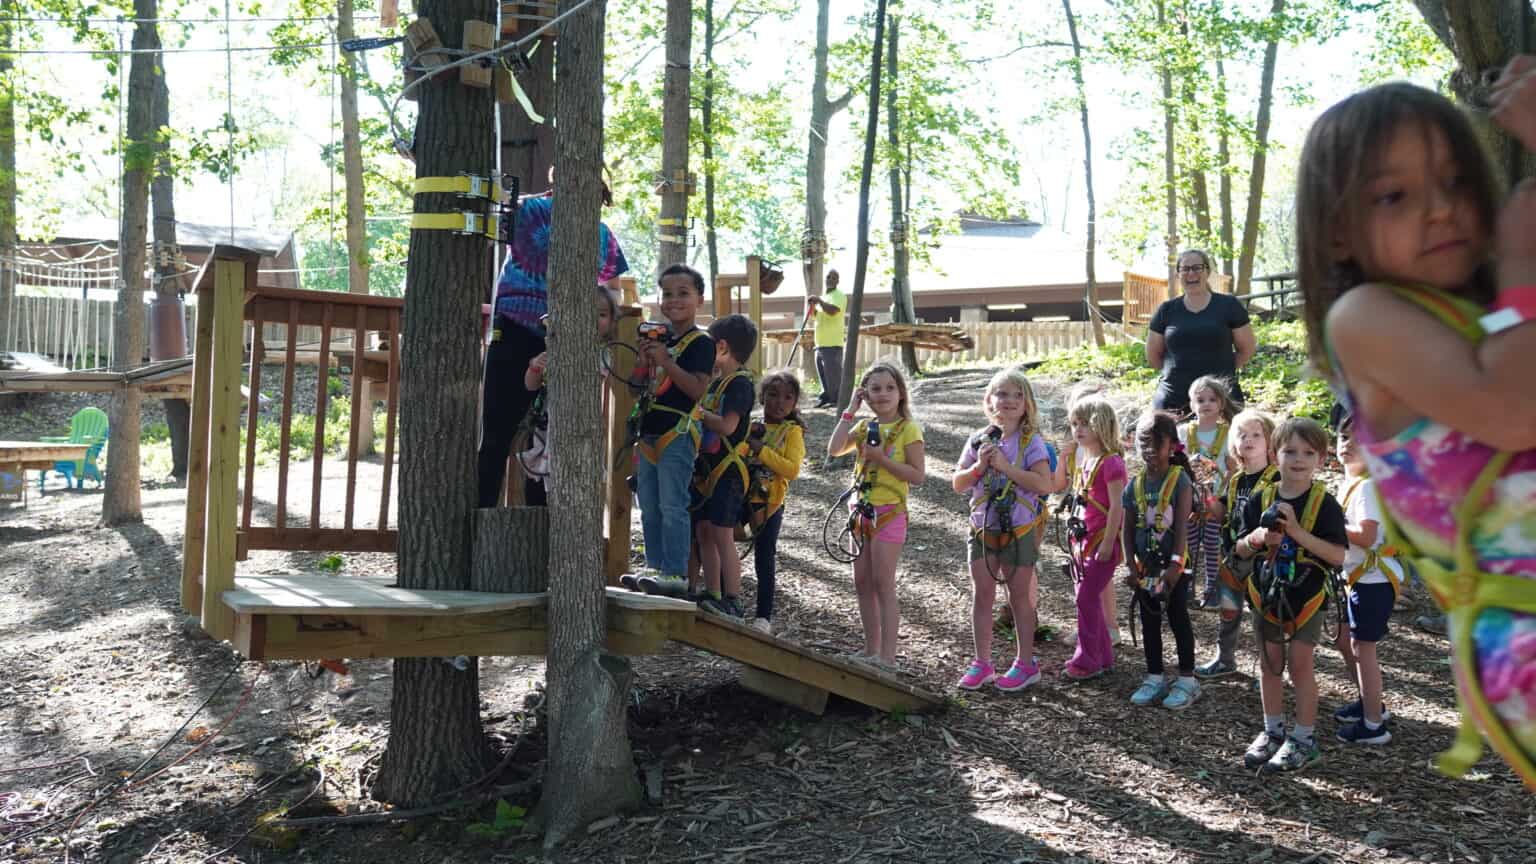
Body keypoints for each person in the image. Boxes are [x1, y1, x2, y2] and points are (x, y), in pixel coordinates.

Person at [1296, 78, 1536, 783]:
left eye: (1456, 181)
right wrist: (1523, 266)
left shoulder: (1492, 315)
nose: (1440, 209)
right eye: (1394, 196)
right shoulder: (1366, 317)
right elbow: (1514, 410)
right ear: (1338, 231)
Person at [478, 186, 629, 508]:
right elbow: (615, 291)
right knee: (502, 432)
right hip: (519, 330)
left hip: (563, 341)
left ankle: (532, 518)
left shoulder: (601, 233)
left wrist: (598, 317)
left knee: (539, 435)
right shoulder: (528, 210)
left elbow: (614, 289)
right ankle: (489, 513)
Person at [1235, 417, 1347, 773]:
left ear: (1322, 459)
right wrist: (1258, 538)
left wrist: (1297, 532)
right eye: (1290, 451)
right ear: (1274, 454)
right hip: (1267, 593)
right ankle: (1272, 730)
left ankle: (1303, 738)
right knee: (1270, 664)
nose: (1299, 459)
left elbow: (1338, 555)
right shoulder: (1260, 499)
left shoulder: (1324, 504)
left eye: (1308, 453)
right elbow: (1238, 548)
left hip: (1307, 596)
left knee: (1300, 665)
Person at [952, 368, 1054, 692]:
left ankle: (1026, 663)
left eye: (1017, 395)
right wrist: (979, 466)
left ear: (1027, 404)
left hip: (1018, 530)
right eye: (1002, 394)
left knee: (1018, 596)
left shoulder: (1030, 442)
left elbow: (1044, 483)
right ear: (989, 400)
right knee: (982, 594)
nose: (1009, 401)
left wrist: (1007, 468)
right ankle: (982, 662)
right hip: (983, 530)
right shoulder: (978, 440)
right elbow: (958, 483)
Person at [827, 361, 925, 671]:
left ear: (901, 393)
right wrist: (849, 411)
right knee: (862, 583)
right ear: (865, 394)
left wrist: (882, 459)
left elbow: (917, 475)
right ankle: (871, 649)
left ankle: (887, 657)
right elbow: (834, 449)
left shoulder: (908, 429)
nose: (882, 394)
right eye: (875, 388)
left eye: (889, 388)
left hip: (889, 513)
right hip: (861, 513)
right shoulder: (863, 427)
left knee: (883, 583)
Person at [632, 265, 715, 598]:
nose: (674, 300)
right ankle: (654, 567)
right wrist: (643, 362)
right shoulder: (659, 339)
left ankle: (676, 573)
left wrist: (667, 362)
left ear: (699, 300)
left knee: (672, 505)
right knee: (649, 507)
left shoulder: (702, 343)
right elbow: (634, 388)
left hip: (677, 433)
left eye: (683, 293)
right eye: (667, 294)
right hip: (648, 432)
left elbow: (697, 389)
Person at [1333, 407, 1403, 746]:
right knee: (1350, 642)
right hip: (1361, 577)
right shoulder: (1352, 484)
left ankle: (1374, 724)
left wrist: (1328, 525)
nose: (1348, 444)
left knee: (1364, 649)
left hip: (1373, 580)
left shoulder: (1367, 489)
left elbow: (1366, 535)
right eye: (1344, 437)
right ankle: (1369, 703)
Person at [1122, 410, 1200, 709]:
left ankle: (1187, 679)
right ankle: (1154, 676)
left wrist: (1176, 566)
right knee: (1149, 619)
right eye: (1144, 443)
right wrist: (1131, 566)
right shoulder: (1134, 486)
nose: (1150, 449)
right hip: (1146, 567)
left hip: (1174, 566)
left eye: (1157, 443)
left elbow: (1181, 526)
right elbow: (1127, 530)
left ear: (1172, 446)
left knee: (1178, 616)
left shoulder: (1180, 481)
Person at [1194, 408, 1278, 679]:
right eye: (1242, 435)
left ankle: (1269, 668)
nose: (1248, 440)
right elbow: (1222, 514)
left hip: (1263, 561)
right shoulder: (1236, 480)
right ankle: (1225, 659)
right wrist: (1206, 491)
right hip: (1234, 558)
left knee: (1263, 617)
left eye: (1256, 434)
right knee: (1229, 612)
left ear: (1270, 441)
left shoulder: (1277, 479)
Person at [517, 285, 619, 504]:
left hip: (577, 429)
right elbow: (530, 386)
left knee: (567, 489)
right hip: (544, 428)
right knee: (536, 492)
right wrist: (535, 367)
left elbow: (590, 382)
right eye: (586, 312)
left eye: (601, 314)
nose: (593, 319)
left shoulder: (602, 354)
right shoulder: (553, 350)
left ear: (611, 322)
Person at [689, 314, 759, 619]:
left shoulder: (740, 384)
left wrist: (698, 414)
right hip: (709, 469)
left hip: (728, 472)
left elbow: (728, 426)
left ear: (722, 347)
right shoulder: (718, 383)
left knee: (722, 534)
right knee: (705, 531)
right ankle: (713, 591)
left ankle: (732, 598)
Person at [1055, 394, 1126, 680]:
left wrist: (1109, 542)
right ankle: (1104, 656)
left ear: (1102, 424)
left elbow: (1118, 506)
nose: (1078, 429)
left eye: (1085, 423)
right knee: (1087, 598)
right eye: (1074, 424)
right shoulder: (1086, 460)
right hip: (1083, 542)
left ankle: (1086, 661)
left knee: (1086, 598)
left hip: (1102, 542)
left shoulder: (1111, 463)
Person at [1144, 249, 1256, 414]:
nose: (1191, 273)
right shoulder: (1166, 310)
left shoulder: (1229, 305)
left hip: (1220, 398)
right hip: (1173, 398)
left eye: (1197, 268)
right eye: (1185, 269)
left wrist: (1222, 372)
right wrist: (1179, 375)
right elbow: (1153, 356)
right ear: (1178, 274)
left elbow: (1247, 349)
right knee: (1156, 429)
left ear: (1207, 272)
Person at [741, 371, 806, 634]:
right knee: (719, 540)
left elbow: (791, 469)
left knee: (764, 558)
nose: (780, 402)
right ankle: (724, 598)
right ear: (762, 397)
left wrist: (761, 450)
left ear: (795, 403)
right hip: (742, 497)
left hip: (770, 504)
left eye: (788, 397)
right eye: (773, 395)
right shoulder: (751, 426)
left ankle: (763, 617)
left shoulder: (792, 432)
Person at [1184, 375, 1240, 608]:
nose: (1206, 404)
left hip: (1216, 501)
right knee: (1188, 545)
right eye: (1200, 400)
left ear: (1221, 404)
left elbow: (1234, 466)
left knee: (1212, 546)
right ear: (1192, 404)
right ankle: (1186, 589)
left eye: (1212, 399)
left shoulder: (1229, 434)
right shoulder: (1183, 433)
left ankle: (1212, 590)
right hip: (1189, 501)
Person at [806, 268, 847, 408]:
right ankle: (826, 397)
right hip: (820, 343)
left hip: (832, 343)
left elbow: (833, 311)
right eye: (828, 277)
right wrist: (813, 307)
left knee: (833, 374)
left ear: (838, 281)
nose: (830, 280)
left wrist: (819, 301)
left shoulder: (839, 295)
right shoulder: (824, 297)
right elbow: (816, 316)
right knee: (823, 374)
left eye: (833, 277)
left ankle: (836, 400)